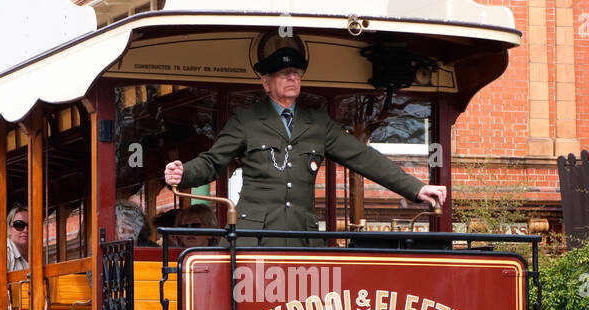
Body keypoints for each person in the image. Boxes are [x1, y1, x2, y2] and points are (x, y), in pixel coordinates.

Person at [163, 35, 447, 245]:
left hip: (303, 239)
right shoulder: (247, 120)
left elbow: (363, 157)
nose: (292, 79)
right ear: (266, 83)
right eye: (284, 74)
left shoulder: (317, 123)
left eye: (296, 74)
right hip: (255, 240)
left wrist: (417, 188)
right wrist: (183, 172)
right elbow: (213, 162)